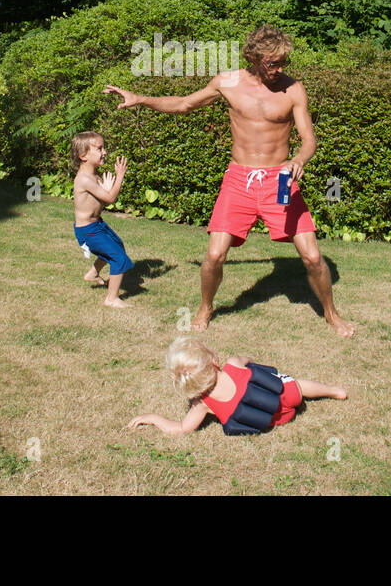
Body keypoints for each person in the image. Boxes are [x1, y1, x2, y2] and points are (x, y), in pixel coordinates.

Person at [104, 25, 354, 336]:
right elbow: (185, 104)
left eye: (283, 63)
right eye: (272, 63)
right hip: (239, 180)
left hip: (280, 179)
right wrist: (140, 98)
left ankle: (331, 313)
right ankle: (206, 306)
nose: (279, 69)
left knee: (313, 256)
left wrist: (299, 160)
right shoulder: (229, 82)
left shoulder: (293, 90)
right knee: (214, 255)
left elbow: (309, 140)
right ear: (254, 56)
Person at [127, 335, 346, 435]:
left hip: (275, 420)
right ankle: (333, 391)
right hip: (287, 398)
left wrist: (153, 418)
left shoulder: (202, 404)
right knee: (294, 383)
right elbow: (250, 362)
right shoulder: (232, 365)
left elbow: (183, 428)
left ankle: (330, 391)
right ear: (214, 361)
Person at [72, 130, 133, 308]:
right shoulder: (84, 179)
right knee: (118, 257)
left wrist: (106, 190)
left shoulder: (94, 177)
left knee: (117, 246)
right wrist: (119, 177)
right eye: (99, 148)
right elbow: (111, 199)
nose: (104, 152)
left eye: (104, 148)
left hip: (97, 224)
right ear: (83, 156)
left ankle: (92, 273)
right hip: (88, 231)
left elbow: (103, 202)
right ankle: (111, 299)